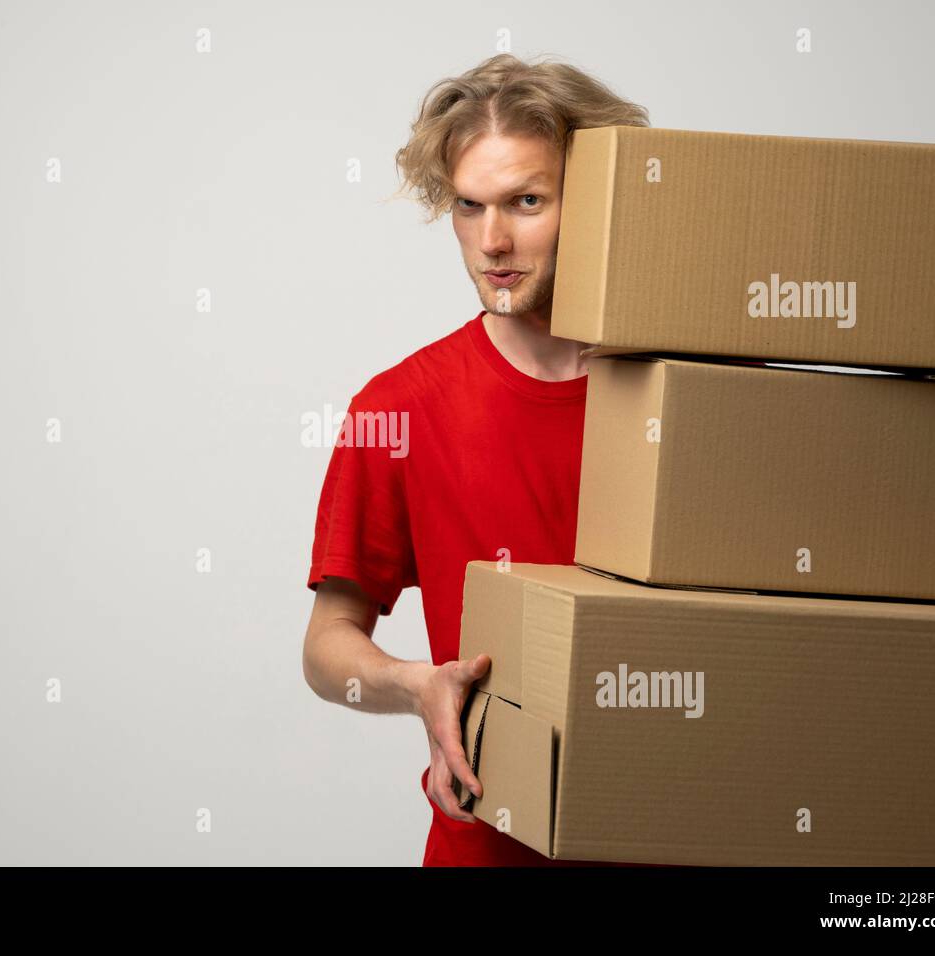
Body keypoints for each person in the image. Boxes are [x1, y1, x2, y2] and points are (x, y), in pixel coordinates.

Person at [301, 53, 650, 866]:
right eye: (469, 206)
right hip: (492, 844)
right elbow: (328, 644)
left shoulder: (694, 393)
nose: (492, 242)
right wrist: (418, 686)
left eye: (527, 202)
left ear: (593, 199)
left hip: (681, 831)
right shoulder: (398, 407)